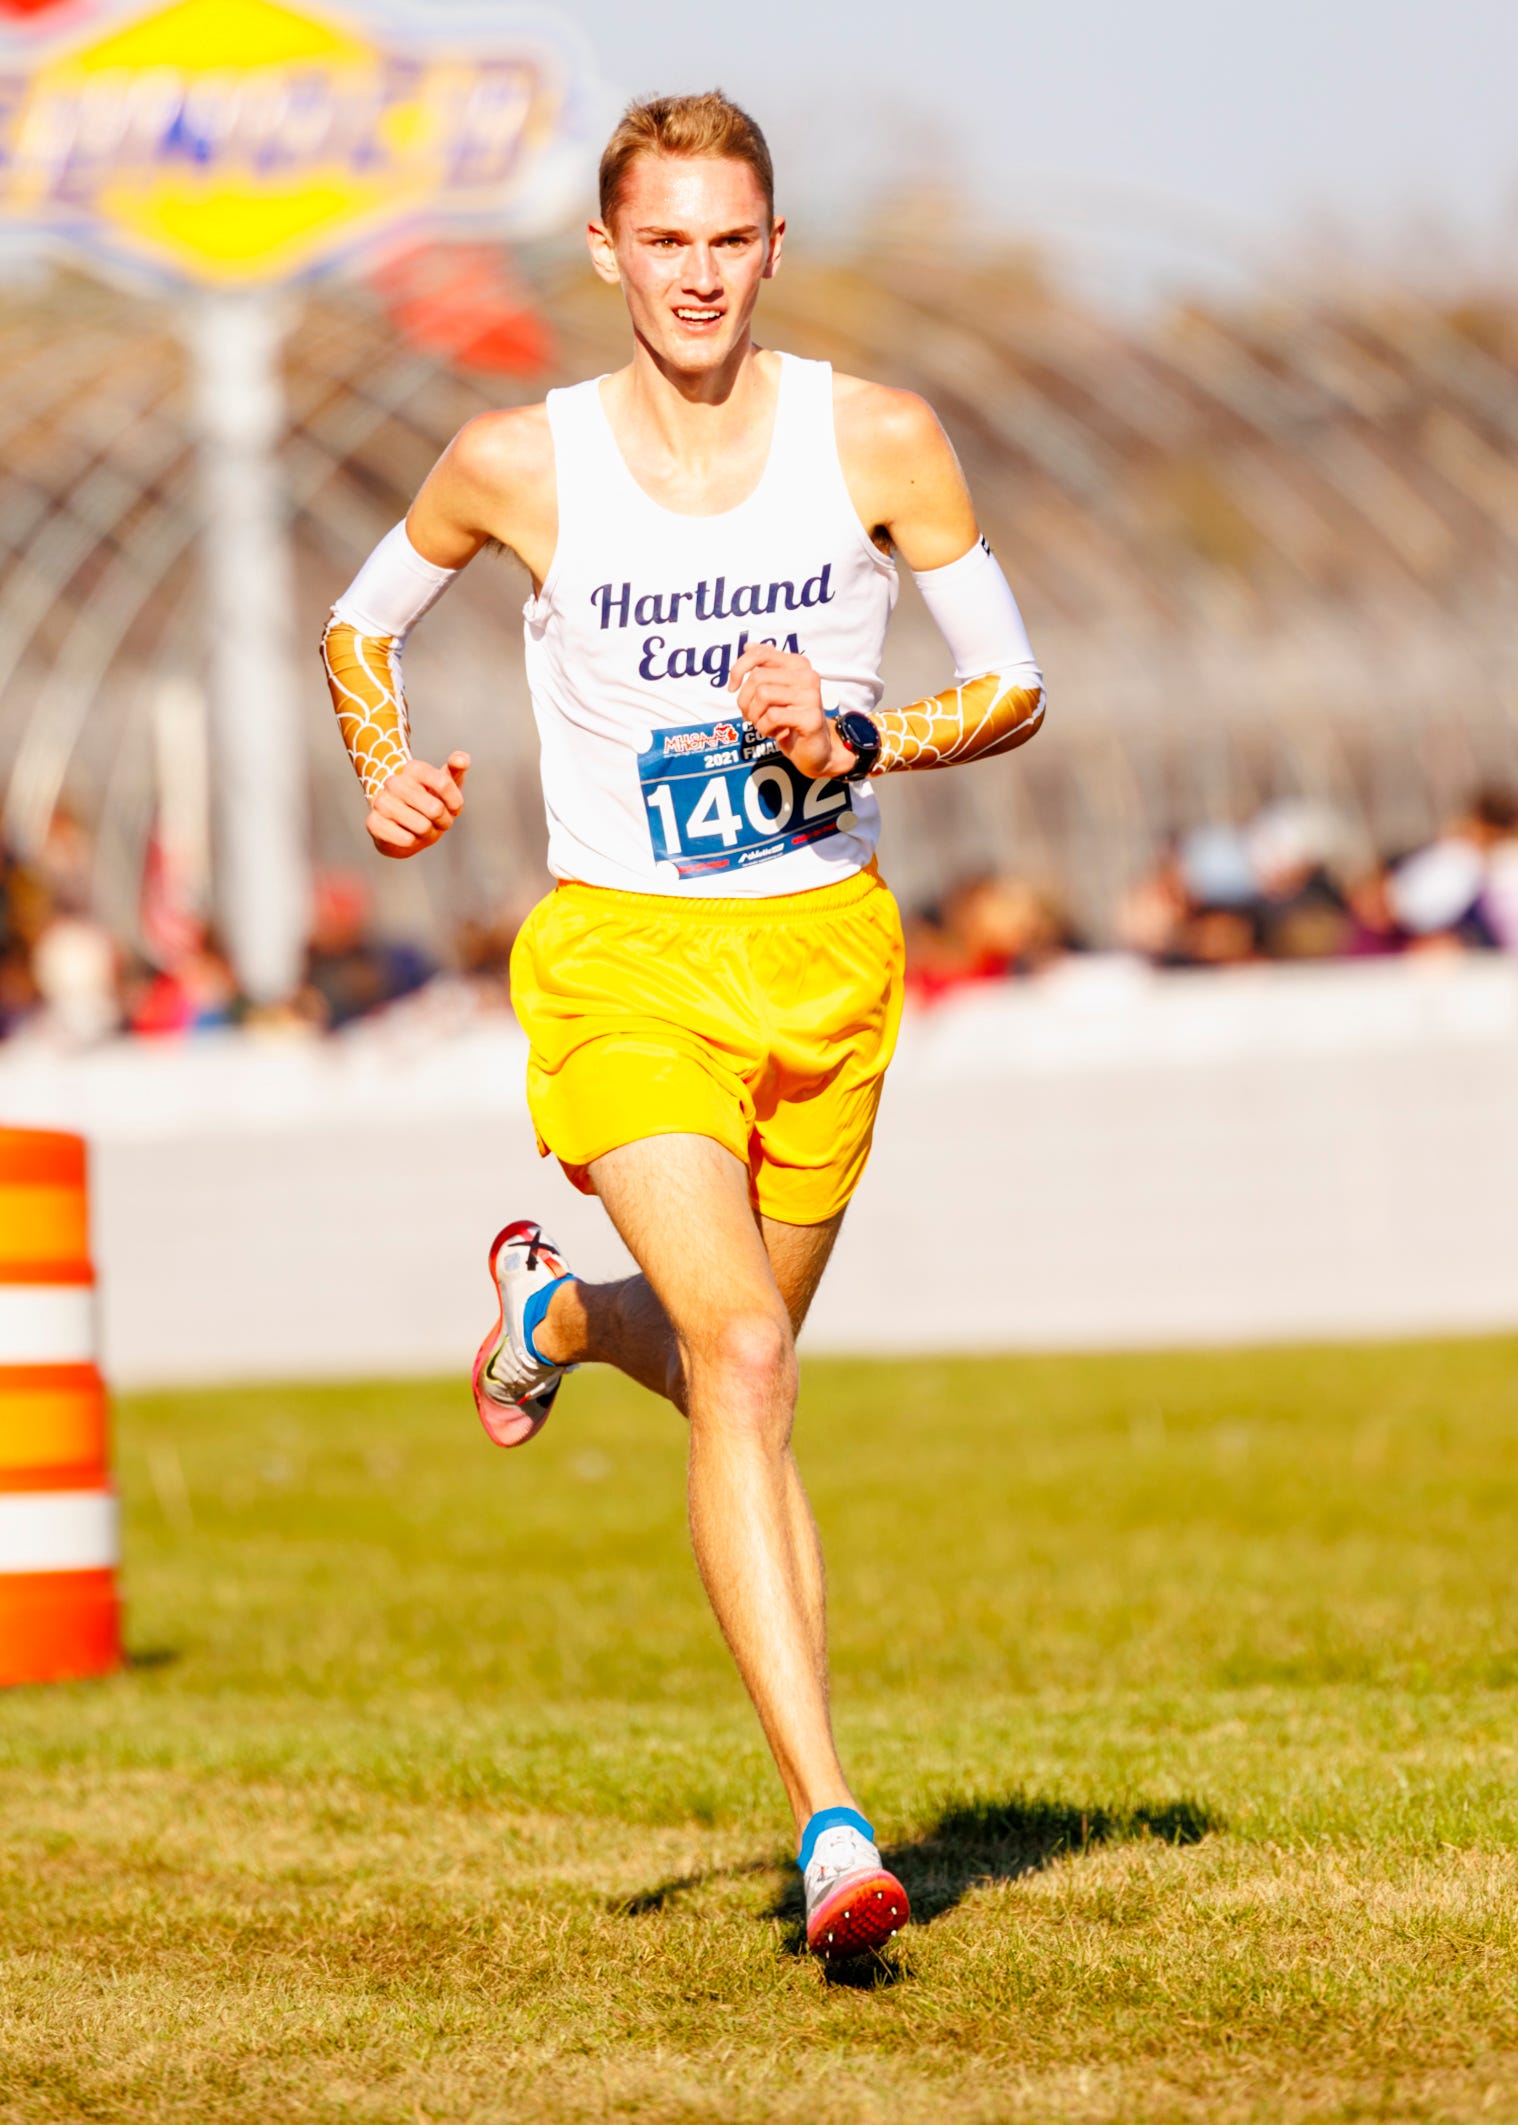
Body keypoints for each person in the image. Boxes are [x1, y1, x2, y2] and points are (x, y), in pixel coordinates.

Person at [321, 91, 1045, 1961]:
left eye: (730, 240)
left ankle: (558, 1313)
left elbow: (1013, 683)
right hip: (625, 960)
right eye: (665, 241)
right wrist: (385, 771)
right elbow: (359, 624)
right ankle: (830, 1825)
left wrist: (860, 733)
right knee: (742, 1349)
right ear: (606, 252)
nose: (699, 275)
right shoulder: (517, 459)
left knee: (742, 1363)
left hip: (826, 958)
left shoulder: (878, 435)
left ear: (773, 248)